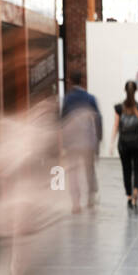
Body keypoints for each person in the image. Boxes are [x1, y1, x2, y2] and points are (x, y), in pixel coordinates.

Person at [60, 72, 101, 211]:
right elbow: (97, 119)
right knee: (89, 170)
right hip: (87, 141)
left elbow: (62, 121)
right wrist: (99, 139)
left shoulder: (67, 99)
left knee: (73, 172)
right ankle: (90, 198)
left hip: (72, 142)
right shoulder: (90, 98)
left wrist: (62, 141)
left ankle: (76, 203)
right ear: (82, 80)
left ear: (71, 81)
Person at [112, 80, 138, 210]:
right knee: (137, 169)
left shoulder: (119, 108)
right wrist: (137, 113)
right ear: (136, 91)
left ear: (125, 90)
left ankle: (128, 196)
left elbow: (116, 126)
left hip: (123, 144)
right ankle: (136, 191)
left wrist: (111, 144)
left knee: (126, 170)